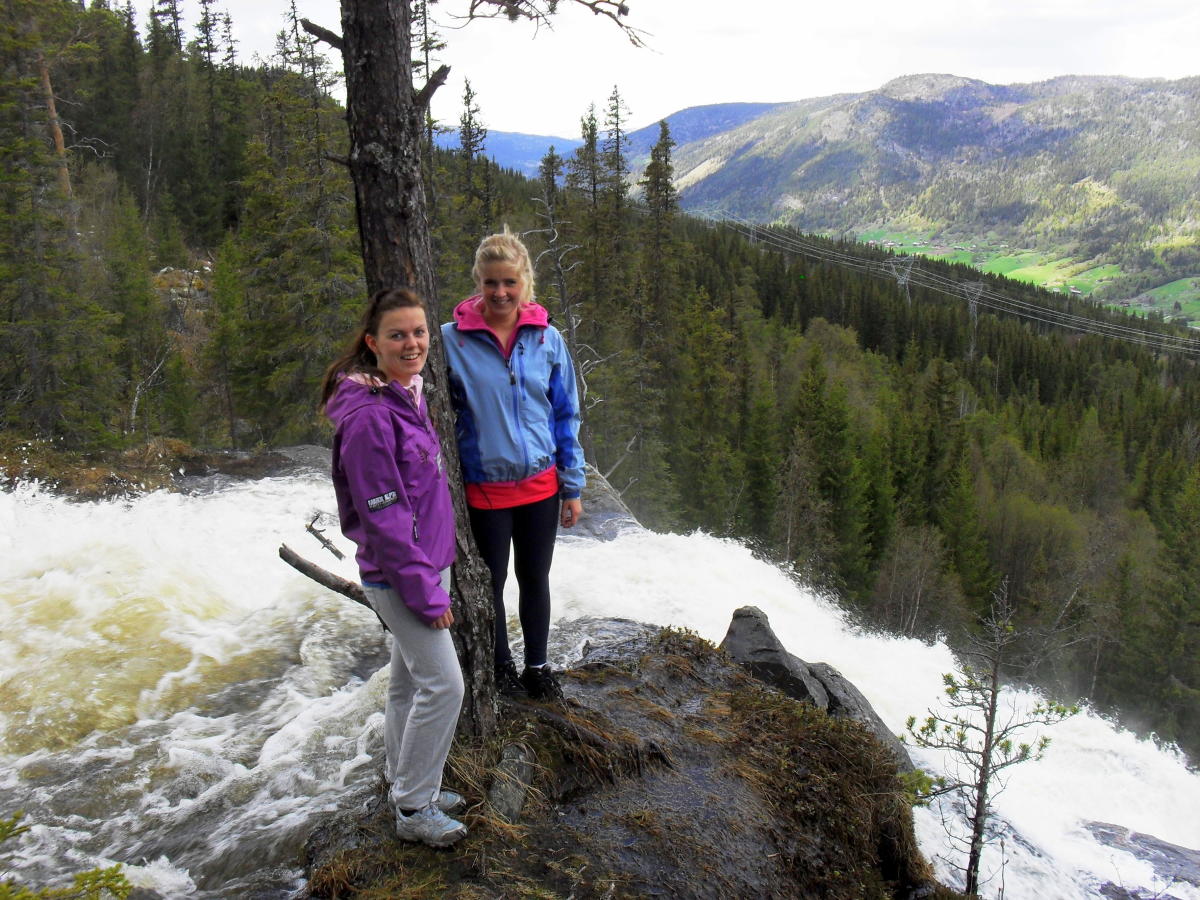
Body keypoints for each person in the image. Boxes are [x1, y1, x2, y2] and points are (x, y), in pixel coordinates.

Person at [320, 287, 467, 848]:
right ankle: (413, 808)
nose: (412, 343)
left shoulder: (405, 394)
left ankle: (404, 782)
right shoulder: (369, 419)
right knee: (444, 687)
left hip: (428, 562)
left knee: (407, 684)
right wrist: (427, 593)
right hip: (403, 575)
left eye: (419, 332)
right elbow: (385, 518)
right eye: (398, 335)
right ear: (372, 343)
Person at [442, 228, 585, 701]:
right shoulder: (450, 341)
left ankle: (538, 667)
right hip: (484, 488)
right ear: (477, 283)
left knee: (534, 579)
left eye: (509, 283)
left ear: (525, 282)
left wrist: (572, 484)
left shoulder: (547, 339)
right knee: (491, 581)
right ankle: (501, 667)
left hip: (541, 487)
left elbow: (565, 413)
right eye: (490, 283)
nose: (500, 293)